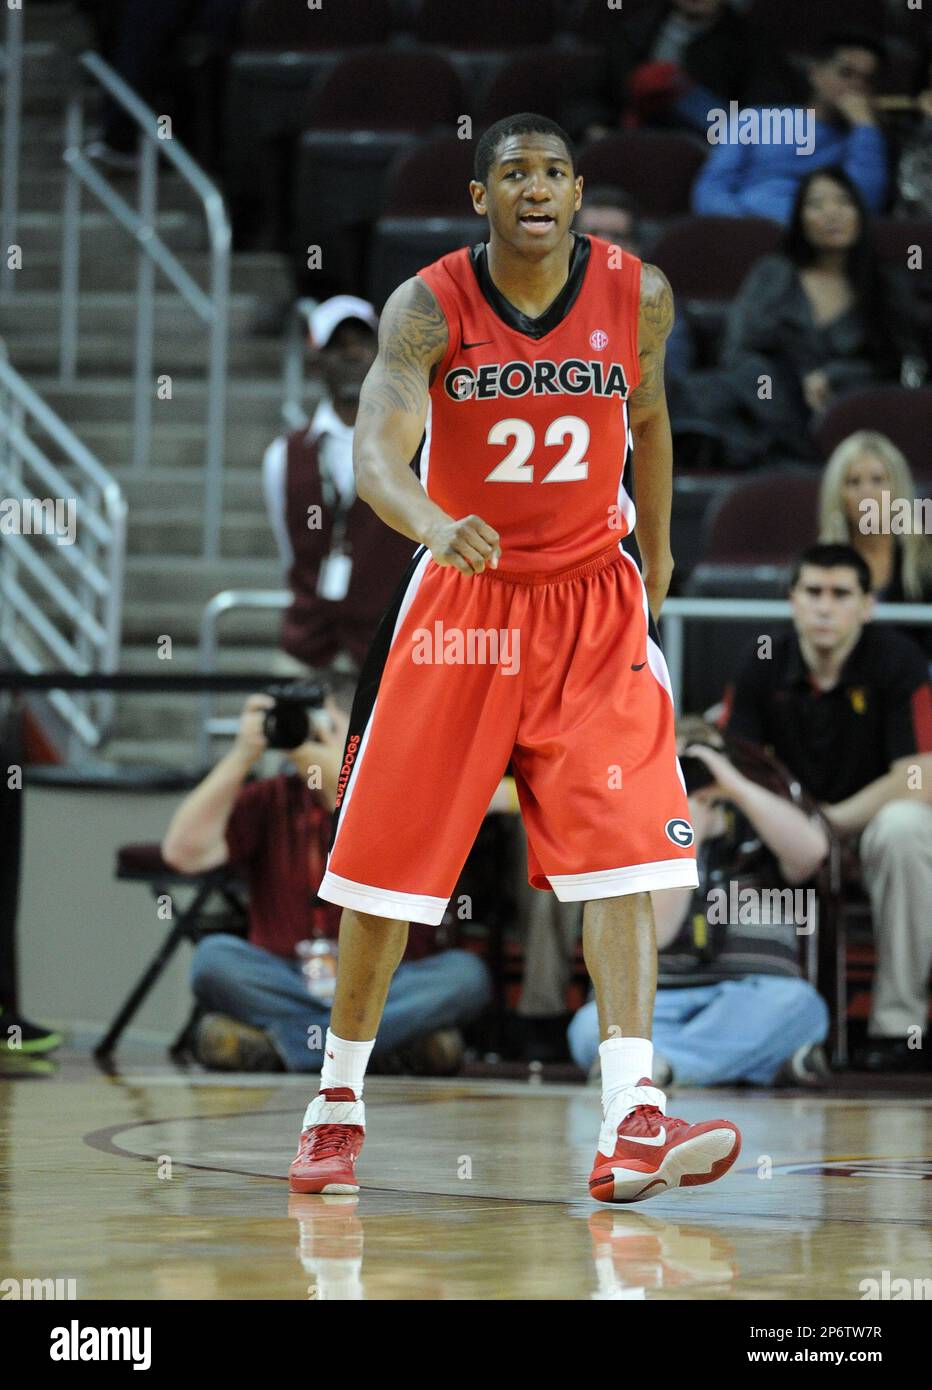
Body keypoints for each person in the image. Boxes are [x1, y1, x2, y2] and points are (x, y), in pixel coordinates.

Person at [287, 112, 741, 1206]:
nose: (532, 188)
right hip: (464, 606)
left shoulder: (640, 292)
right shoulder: (425, 306)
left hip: (592, 606)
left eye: (551, 172)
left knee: (627, 855)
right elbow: (372, 453)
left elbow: (648, 413)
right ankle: (336, 1103)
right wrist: (432, 521)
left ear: (577, 191)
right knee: (386, 873)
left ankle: (632, 1110)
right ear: (479, 197)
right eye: (510, 174)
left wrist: (664, 542)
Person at [160, 674, 494, 1074]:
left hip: (383, 979)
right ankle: (372, 1050)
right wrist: (241, 756)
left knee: (465, 976)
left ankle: (292, 1048)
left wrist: (305, 751)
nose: (312, 735)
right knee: (213, 960)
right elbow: (183, 853)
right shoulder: (271, 797)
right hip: (285, 975)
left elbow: (369, 807)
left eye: (329, 727)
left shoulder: (403, 788)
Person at [723, 543, 932, 1070]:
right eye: (812, 591)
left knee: (907, 828)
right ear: (793, 600)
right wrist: (796, 827)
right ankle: (754, 1026)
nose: (824, 606)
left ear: (867, 605)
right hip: (783, 826)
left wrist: (833, 822)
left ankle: (896, 1027)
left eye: (841, 594)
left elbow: (921, 774)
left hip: (867, 824)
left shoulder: (899, 661)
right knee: (712, 822)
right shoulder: (762, 656)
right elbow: (733, 768)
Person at [568, 717, 830, 1087]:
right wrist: (683, 837)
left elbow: (812, 854)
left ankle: (660, 1070)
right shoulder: (636, 828)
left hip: (754, 994)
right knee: (586, 1028)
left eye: (702, 762)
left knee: (799, 1007)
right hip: (658, 1001)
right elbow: (656, 935)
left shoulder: (761, 820)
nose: (691, 774)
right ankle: (753, 1065)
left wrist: (733, 785)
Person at [671, 166, 924, 467]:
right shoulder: (774, 274)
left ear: (859, 212)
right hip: (770, 400)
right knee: (707, 392)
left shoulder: (885, 285)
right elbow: (738, 348)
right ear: (800, 219)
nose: (832, 213)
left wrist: (834, 377)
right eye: (816, 204)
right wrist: (782, 384)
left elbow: (901, 365)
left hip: (850, 407)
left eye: (843, 202)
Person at [262, 296, 417, 678]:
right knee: (269, 726)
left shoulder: (417, 443)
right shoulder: (284, 455)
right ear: (315, 360)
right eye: (337, 345)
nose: (351, 354)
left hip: (392, 649)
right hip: (307, 648)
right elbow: (291, 552)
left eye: (362, 343)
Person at [691, 30, 889, 223]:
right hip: (744, 229)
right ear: (815, 73)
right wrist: (746, 230)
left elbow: (864, 206)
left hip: (814, 240)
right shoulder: (756, 120)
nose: (856, 86)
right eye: (846, 73)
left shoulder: (865, 141)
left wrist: (865, 127)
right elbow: (712, 188)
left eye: (867, 80)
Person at [817, 431, 932, 656]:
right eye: (853, 481)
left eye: (878, 480)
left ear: (897, 488)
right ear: (838, 494)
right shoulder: (817, 567)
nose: (867, 493)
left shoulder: (925, 563)